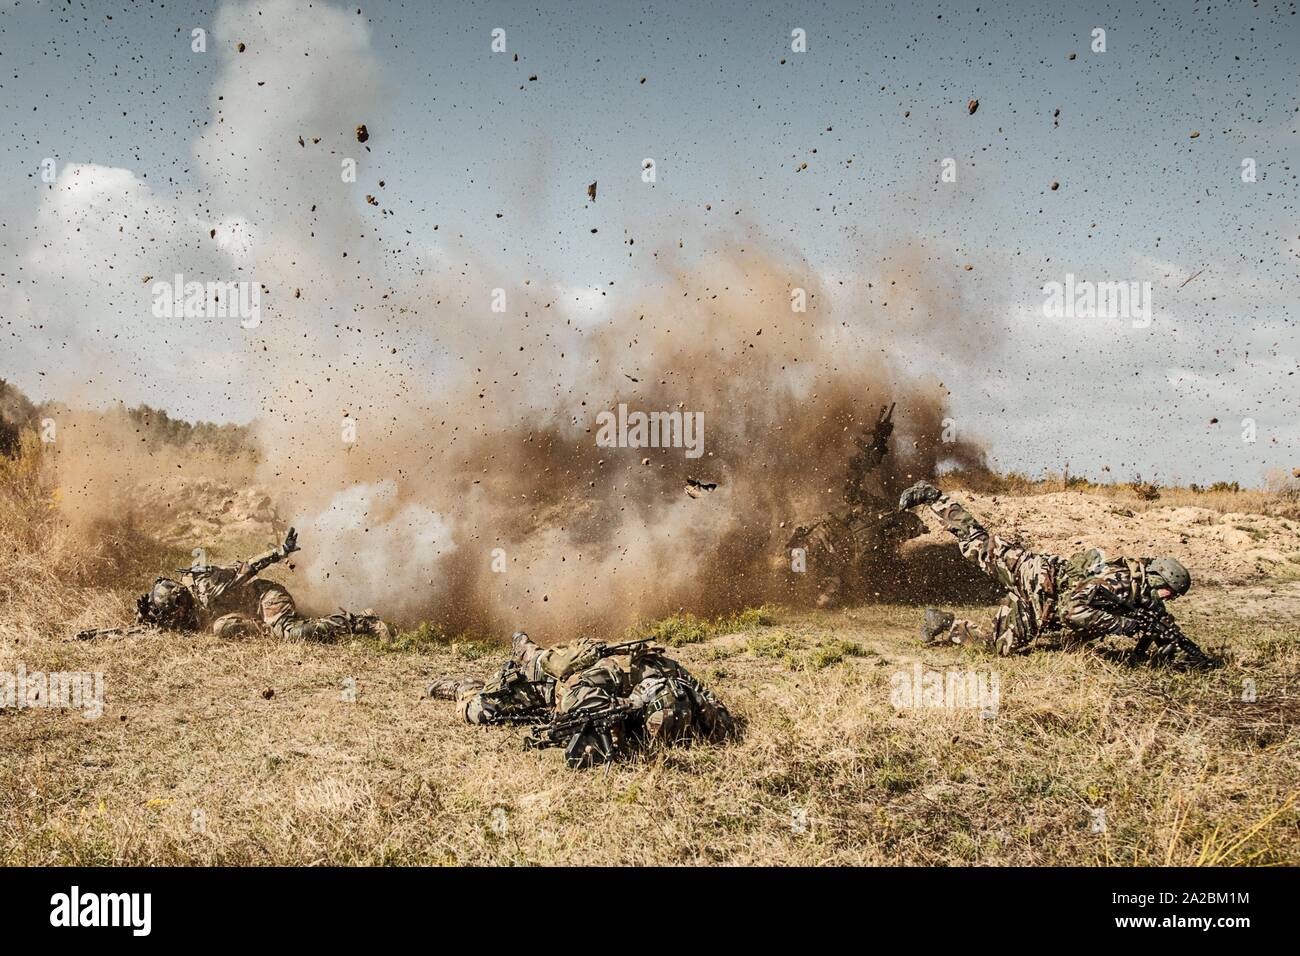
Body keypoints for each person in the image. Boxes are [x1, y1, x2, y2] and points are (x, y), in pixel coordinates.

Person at [897, 481, 1210, 663]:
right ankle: (932, 495)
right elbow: (1075, 612)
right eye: (1170, 591)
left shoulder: (1144, 596)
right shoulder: (1122, 583)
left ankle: (943, 622)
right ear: (1159, 579)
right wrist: (1123, 625)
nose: (1169, 598)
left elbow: (1163, 629)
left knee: (1001, 648)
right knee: (976, 542)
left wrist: (1167, 645)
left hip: (1041, 605)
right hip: (1033, 574)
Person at [133, 528, 391, 642]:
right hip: (250, 614)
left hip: (264, 598)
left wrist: (280, 552)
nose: (174, 620)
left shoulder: (207, 588)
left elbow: (248, 568)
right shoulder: (180, 600)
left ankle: (362, 622)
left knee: (294, 635)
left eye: (173, 614)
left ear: (181, 602)